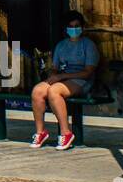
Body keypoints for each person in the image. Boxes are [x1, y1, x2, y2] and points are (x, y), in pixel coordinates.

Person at [30, 11, 98, 151]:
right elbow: (54, 68)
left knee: (54, 91)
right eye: (71, 26)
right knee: (37, 91)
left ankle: (65, 132)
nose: (74, 29)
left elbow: (88, 72)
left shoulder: (88, 45)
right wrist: (53, 76)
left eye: (77, 26)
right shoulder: (61, 46)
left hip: (81, 80)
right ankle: (40, 131)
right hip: (63, 78)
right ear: (66, 29)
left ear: (82, 27)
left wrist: (61, 78)